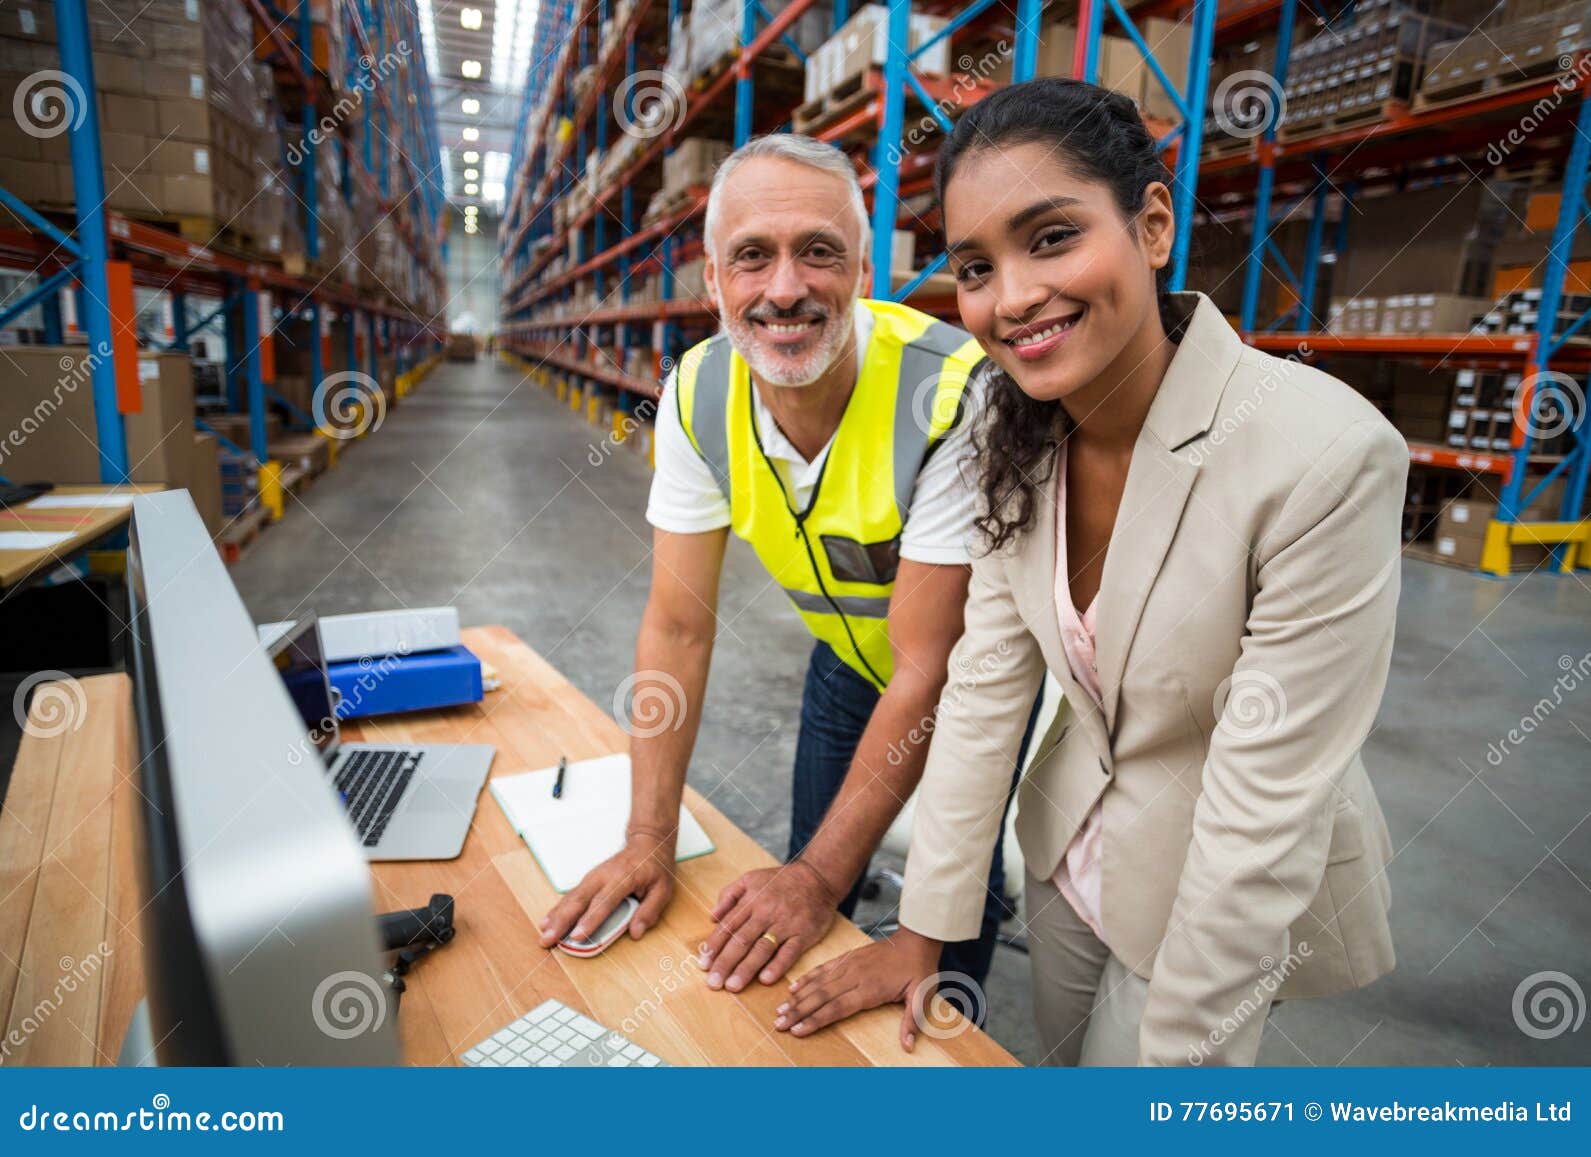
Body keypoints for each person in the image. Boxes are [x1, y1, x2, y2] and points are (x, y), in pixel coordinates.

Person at [774, 78, 1404, 1065]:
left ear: (1152, 224)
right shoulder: (1003, 423)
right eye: (976, 266)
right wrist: (923, 928)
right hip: (1066, 851)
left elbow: (1258, 814)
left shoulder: (1320, 453)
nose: (1013, 296)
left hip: (1214, 886)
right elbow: (983, 685)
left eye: (1052, 236)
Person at [538, 133, 1017, 999]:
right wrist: (650, 836)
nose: (785, 288)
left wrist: (814, 880)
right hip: (844, 666)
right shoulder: (695, 395)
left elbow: (928, 670)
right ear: (715, 281)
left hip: (975, 686)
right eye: (752, 257)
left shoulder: (954, 393)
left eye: (819, 253)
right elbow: (677, 624)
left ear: (864, 270)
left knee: (946, 915)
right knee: (810, 878)